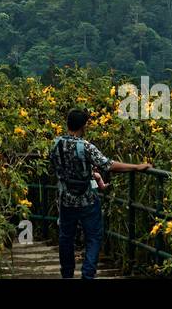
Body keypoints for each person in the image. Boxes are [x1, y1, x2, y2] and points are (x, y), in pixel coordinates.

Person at [48, 108, 152, 279]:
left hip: (65, 199)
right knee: (94, 237)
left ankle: (66, 275)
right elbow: (108, 165)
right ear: (83, 126)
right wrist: (136, 167)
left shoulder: (56, 144)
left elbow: (57, 167)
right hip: (87, 200)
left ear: (68, 123)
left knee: (66, 239)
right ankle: (87, 275)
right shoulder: (85, 146)